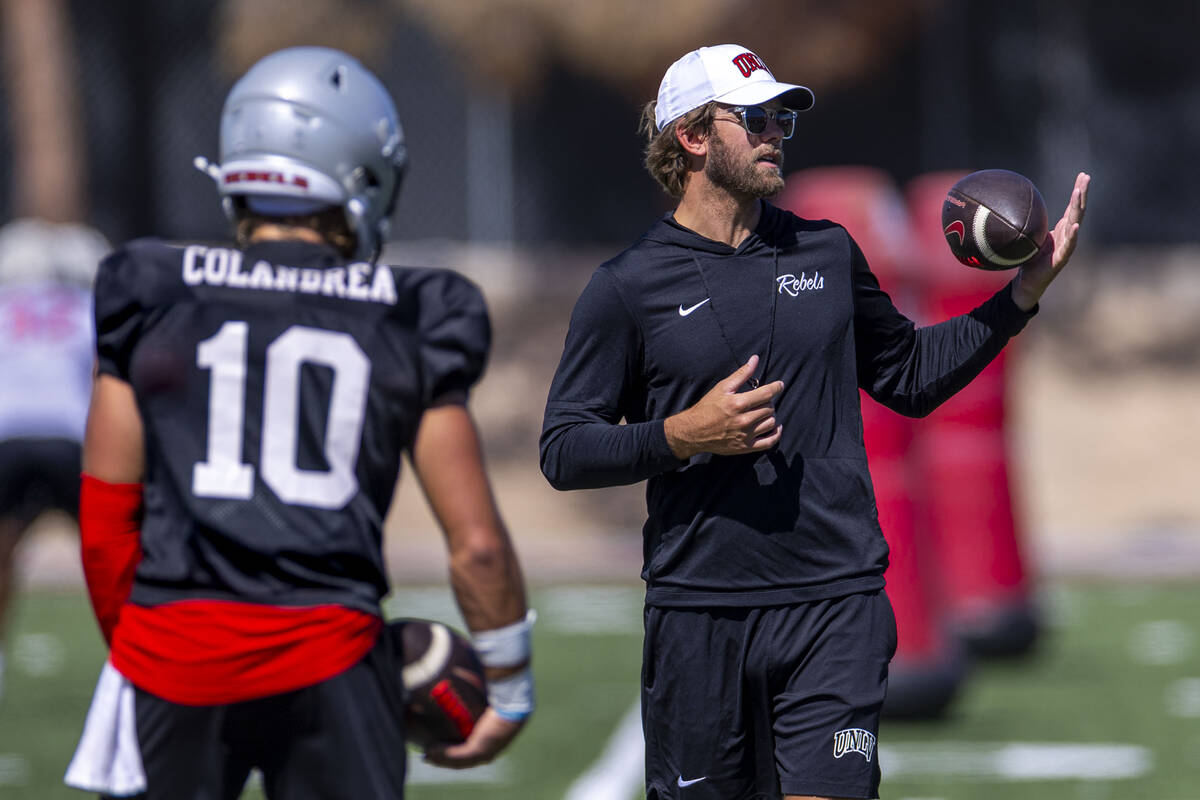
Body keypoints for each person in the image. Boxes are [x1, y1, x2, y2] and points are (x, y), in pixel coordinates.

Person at [540, 43, 1089, 800]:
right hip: (700, 616)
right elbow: (565, 450)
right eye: (756, 117)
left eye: (783, 117)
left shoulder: (828, 252)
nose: (777, 133)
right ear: (693, 137)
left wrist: (1022, 295)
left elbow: (910, 376)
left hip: (836, 604)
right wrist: (682, 435)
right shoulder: (625, 288)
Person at [65, 46, 535, 799]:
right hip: (330, 665)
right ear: (360, 171)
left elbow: (106, 518)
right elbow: (476, 546)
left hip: (173, 657)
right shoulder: (414, 313)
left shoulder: (148, 290)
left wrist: (147, 655)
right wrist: (508, 684)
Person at [0, 218, 107, 701]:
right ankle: (132, 655)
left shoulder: (5, 307)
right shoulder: (86, 308)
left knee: (4, 552)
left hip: (9, 435)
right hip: (65, 436)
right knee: (110, 553)